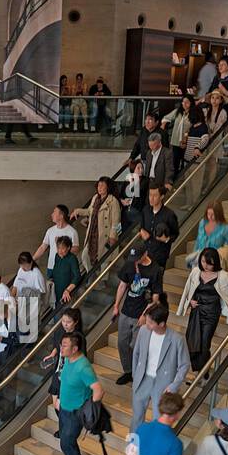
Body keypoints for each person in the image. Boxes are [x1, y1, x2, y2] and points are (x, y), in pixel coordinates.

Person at [180, 247, 228, 373]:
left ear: (215, 263)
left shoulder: (223, 276)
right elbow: (188, 290)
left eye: (209, 263)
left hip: (211, 313)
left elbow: (227, 296)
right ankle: (201, 368)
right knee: (192, 340)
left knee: (204, 342)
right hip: (196, 311)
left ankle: (201, 372)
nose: (205, 265)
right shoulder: (196, 271)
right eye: (203, 261)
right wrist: (190, 301)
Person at [130, 303, 189, 431]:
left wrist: (174, 386)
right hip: (142, 380)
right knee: (136, 418)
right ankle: (132, 447)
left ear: (161, 324)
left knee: (159, 420)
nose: (147, 323)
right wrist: (136, 375)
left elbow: (184, 365)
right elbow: (136, 353)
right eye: (147, 319)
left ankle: (154, 448)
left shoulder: (177, 339)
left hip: (163, 385)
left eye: (151, 322)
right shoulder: (143, 331)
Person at [56, 331, 102, 455]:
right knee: (66, 440)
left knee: (66, 442)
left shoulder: (84, 367)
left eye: (64, 345)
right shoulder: (68, 359)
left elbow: (98, 390)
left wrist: (92, 416)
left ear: (74, 348)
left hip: (76, 413)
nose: (61, 348)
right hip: (64, 408)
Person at [111, 248, 164, 385]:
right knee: (122, 343)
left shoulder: (155, 270)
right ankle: (128, 371)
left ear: (145, 254)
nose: (135, 262)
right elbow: (122, 285)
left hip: (141, 313)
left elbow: (155, 298)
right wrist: (116, 305)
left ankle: (139, 373)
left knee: (136, 346)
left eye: (138, 259)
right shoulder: (130, 264)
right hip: (126, 311)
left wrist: (145, 315)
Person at [72, 177, 121, 274]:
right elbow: (89, 211)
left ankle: (101, 281)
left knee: (104, 260)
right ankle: (91, 274)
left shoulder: (113, 201)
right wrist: (77, 211)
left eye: (102, 185)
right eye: (99, 185)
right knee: (85, 256)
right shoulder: (95, 198)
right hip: (92, 234)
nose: (100, 187)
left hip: (105, 236)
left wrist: (113, 236)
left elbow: (116, 221)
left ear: (108, 187)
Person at [43, 307, 84, 407]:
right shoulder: (60, 332)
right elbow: (57, 345)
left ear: (75, 322)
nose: (65, 324)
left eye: (68, 322)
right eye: (63, 321)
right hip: (58, 372)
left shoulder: (78, 338)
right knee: (56, 404)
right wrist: (53, 354)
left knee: (61, 405)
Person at [191, 202, 228, 277]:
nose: (210, 217)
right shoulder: (202, 223)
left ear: (219, 214)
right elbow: (198, 241)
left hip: (214, 263)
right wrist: (194, 256)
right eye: (208, 214)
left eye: (213, 214)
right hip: (199, 259)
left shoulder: (226, 228)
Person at [31, 205, 80, 275]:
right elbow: (42, 247)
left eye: (54, 212)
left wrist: (63, 246)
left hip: (65, 268)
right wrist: (32, 260)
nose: (52, 214)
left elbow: (76, 249)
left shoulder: (72, 232)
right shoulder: (50, 231)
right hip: (51, 267)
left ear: (61, 215)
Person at [161, 96, 195, 177]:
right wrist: (163, 124)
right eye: (183, 102)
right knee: (175, 163)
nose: (184, 104)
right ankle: (175, 180)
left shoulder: (194, 113)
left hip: (187, 142)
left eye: (187, 102)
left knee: (185, 163)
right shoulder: (178, 112)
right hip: (176, 142)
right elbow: (166, 118)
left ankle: (183, 180)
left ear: (191, 103)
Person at [48, 235, 81, 307]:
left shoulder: (72, 258)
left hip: (67, 294)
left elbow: (77, 277)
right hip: (57, 291)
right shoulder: (57, 256)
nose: (60, 251)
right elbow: (55, 271)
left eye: (62, 248)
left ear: (68, 247)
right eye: (58, 248)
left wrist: (68, 290)